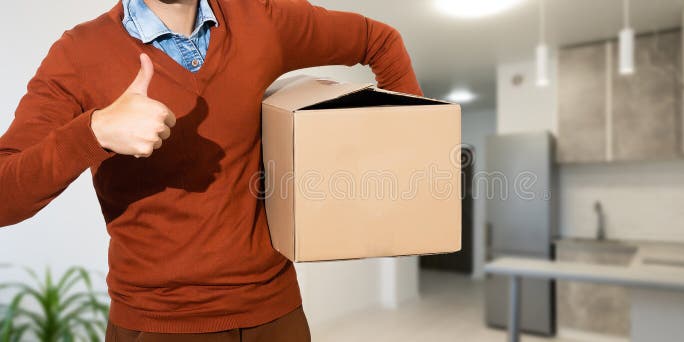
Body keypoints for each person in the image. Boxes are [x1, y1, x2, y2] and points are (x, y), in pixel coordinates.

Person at [0, 0, 422, 340]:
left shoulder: (262, 18)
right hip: (159, 324)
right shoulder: (79, 53)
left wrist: (407, 157)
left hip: (276, 315)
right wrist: (93, 131)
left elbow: (379, 40)